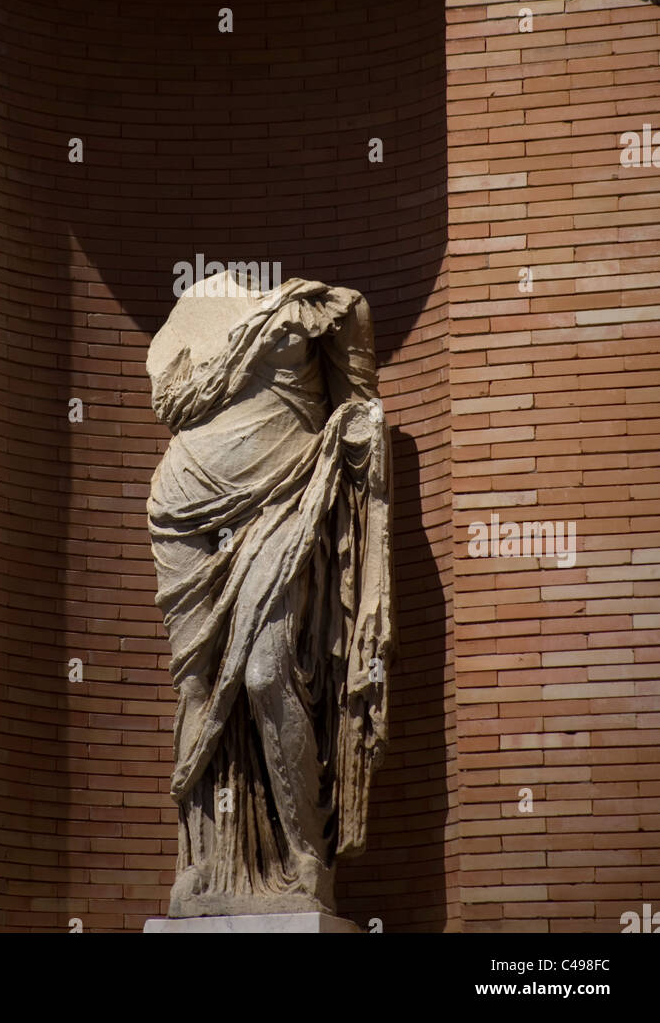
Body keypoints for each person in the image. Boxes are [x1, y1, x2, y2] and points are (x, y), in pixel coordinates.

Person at [146, 267, 394, 917]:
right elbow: (170, 397)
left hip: (284, 499)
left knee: (264, 673)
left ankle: (305, 857)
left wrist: (367, 466)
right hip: (183, 507)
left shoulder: (327, 309)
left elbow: (362, 413)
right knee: (195, 684)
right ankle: (198, 865)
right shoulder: (193, 309)